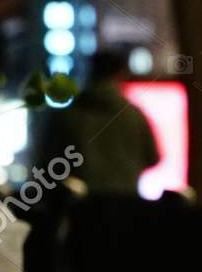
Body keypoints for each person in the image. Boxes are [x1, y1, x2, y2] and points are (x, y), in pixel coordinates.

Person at [35, 49, 159, 196]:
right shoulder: (134, 115)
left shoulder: (68, 115)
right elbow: (153, 158)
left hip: (81, 206)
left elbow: (48, 164)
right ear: (120, 73)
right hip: (126, 203)